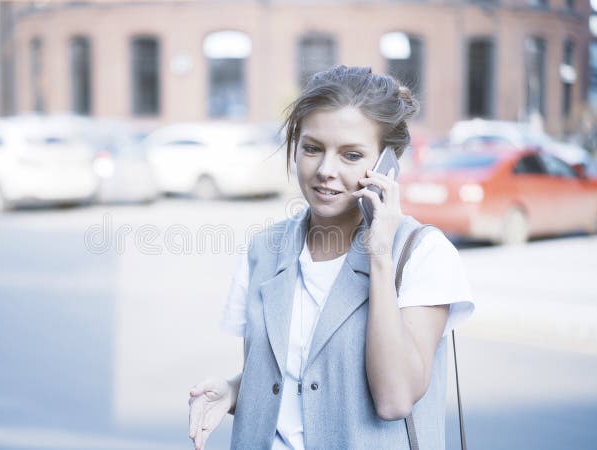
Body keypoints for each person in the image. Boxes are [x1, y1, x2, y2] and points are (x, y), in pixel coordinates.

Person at [188, 66, 474, 450]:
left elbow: (394, 398)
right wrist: (233, 391)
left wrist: (380, 257)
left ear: (387, 164)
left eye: (351, 155)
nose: (325, 171)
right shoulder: (264, 250)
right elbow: (295, 374)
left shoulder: (422, 254)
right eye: (312, 148)